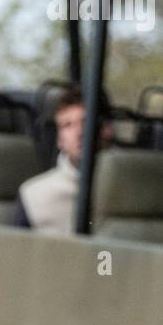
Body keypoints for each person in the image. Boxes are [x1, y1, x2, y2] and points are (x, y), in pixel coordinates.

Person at [14, 86, 110, 233]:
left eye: (86, 122)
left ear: (107, 129)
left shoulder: (132, 191)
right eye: (67, 125)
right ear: (59, 139)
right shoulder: (34, 195)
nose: (80, 133)